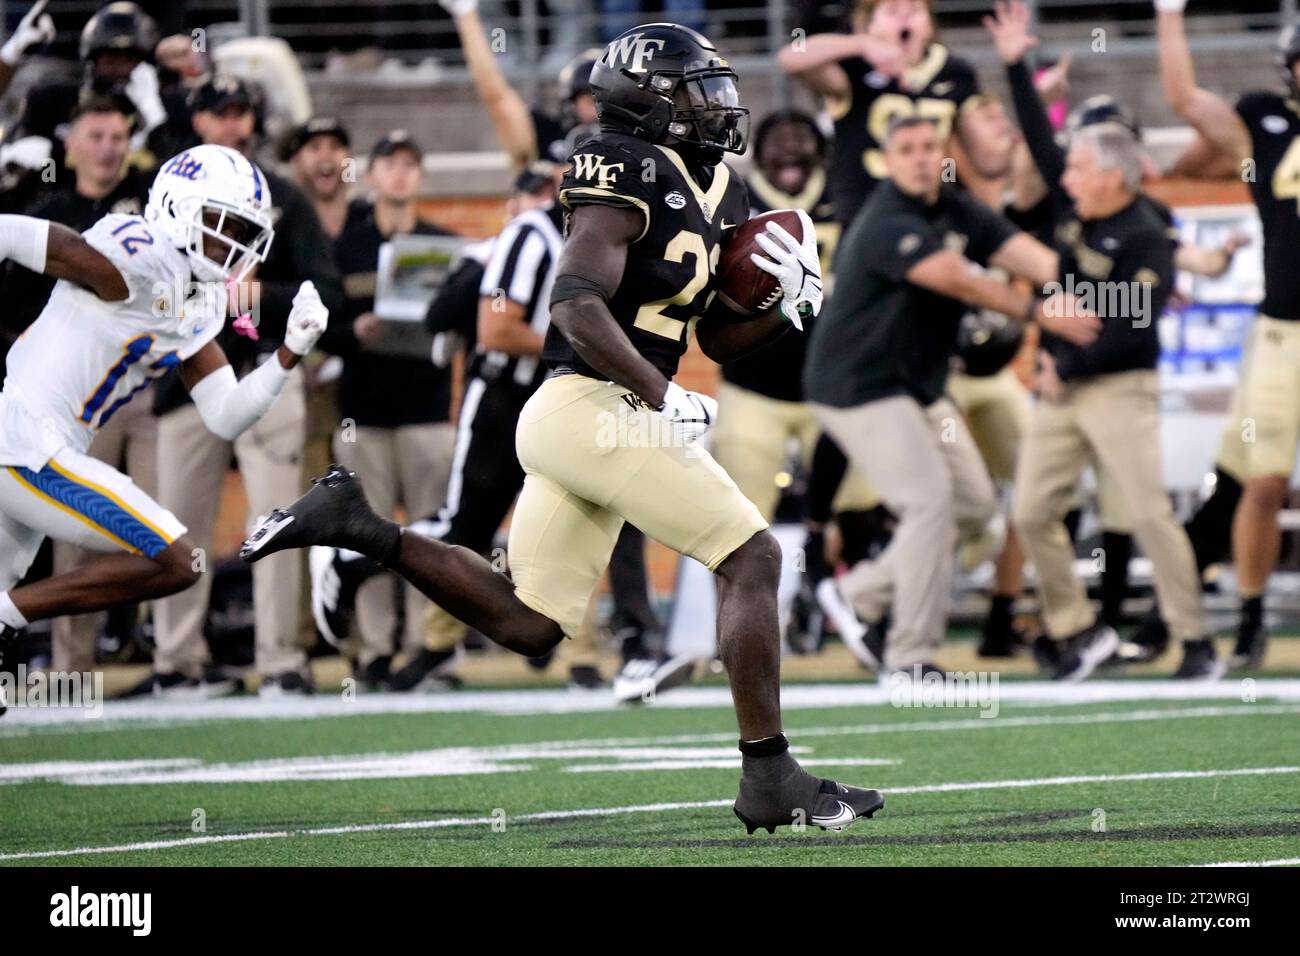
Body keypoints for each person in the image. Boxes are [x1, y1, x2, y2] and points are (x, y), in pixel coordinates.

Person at [242, 23, 884, 834]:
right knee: (753, 555)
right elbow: (575, 301)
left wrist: (784, 308)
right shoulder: (623, 164)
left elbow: (716, 336)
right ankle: (770, 776)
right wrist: (659, 389)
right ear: (649, 103)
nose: (718, 103)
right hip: (591, 405)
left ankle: (358, 525)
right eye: (697, 89)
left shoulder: (724, 186)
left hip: (585, 415)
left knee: (531, 623)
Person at [0, 144, 329, 717]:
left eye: (242, 231)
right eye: (220, 224)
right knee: (179, 560)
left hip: (42, 447)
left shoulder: (196, 297)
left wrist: (288, 354)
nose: (231, 244)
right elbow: (34, 241)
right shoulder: (143, 252)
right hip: (27, 441)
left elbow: (225, 411)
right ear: (177, 208)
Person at [808, 115, 1093, 679]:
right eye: (906, 149)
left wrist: (1120, 286)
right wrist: (1042, 313)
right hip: (857, 387)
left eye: (928, 147)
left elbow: (1037, 262)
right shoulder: (888, 218)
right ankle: (909, 656)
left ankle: (858, 595)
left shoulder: (958, 210)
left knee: (975, 508)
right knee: (928, 501)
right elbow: (956, 279)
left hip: (919, 389)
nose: (919, 158)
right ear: (888, 161)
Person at [138, 73, 344, 698]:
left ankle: (280, 659)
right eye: (218, 113)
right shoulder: (170, 194)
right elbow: (144, 284)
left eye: (240, 113)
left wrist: (255, 297)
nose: (231, 124)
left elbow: (324, 295)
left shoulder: (280, 196)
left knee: (274, 522)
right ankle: (177, 662)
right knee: (177, 528)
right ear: (196, 122)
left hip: (265, 375)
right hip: (186, 382)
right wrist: (209, 296)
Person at [1151, 0, 1300, 670]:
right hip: (1284, 332)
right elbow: (1184, 97)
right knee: (1263, 482)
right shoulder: (1268, 128)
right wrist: (1169, 14)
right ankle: (1247, 617)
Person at [0, 96, 153, 676]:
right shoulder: (51, 206)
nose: (109, 147)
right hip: (43, 409)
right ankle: (69, 664)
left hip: (127, 396)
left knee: (152, 540)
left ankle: (160, 651)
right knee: (75, 538)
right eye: (97, 135)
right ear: (71, 143)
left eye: (120, 136)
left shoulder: (145, 205)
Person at [318, 130, 456, 684]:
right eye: (390, 163)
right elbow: (318, 324)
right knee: (366, 532)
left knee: (432, 538)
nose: (400, 174)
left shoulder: (445, 246)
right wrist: (355, 330)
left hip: (425, 409)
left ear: (420, 177)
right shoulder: (342, 248)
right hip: (363, 413)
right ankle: (376, 647)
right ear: (372, 175)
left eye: (410, 165)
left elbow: (466, 325)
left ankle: (433, 646)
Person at [778, 0, 985, 229]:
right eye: (892, 10)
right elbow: (792, 57)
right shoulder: (854, 66)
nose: (904, 17)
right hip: (865, 215)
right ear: (868, 24)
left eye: (915, 10)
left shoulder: (954, 71)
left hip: (935, 214)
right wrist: (861, 44)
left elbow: (980, 156)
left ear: (929, 24)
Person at [285, 117, 369, 242]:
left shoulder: (370, 222)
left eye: (335, 146)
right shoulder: (284, 231)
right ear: (296, 162)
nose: (325, 156)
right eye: (315, 147)